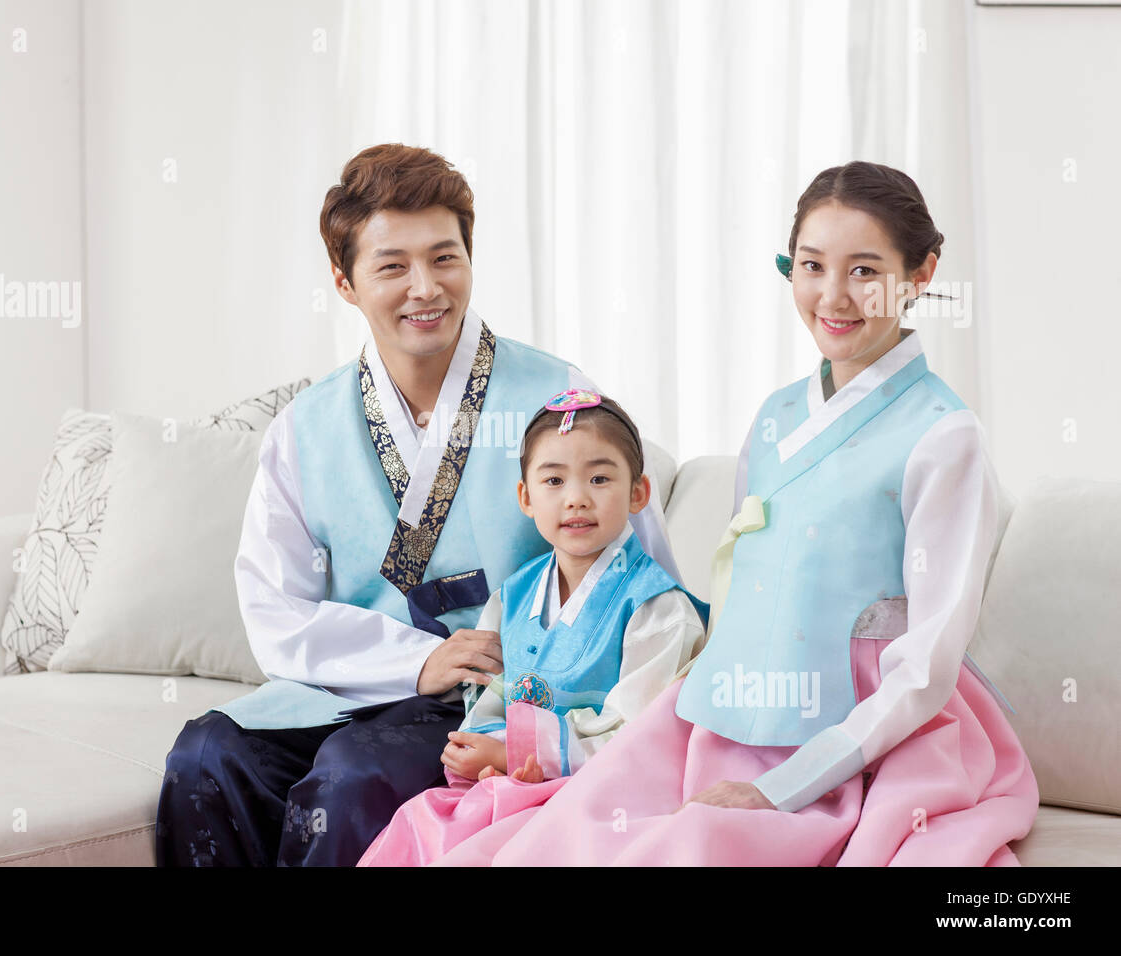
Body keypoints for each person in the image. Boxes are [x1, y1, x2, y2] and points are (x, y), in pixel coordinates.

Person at [429, 160, 1040, 867]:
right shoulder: (777, 417)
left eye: (866, 271)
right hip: (737, 699)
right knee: (550, 841)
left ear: (922, 272)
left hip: (868, 725)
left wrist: (784, 788)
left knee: (693, 844)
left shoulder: (944, 435)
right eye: (811, 266)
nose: (833, 296)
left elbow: (928, 663)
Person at [153, 143, 681, 866]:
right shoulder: (305, 430)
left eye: (444, 258)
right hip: (357, 683)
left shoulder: (557, 396)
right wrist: (417, 659)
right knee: (203, 756)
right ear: (345, 282)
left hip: (501, 698)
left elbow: (644, 572)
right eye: (392, 266)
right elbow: (274, 609)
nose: (426, 288)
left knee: (350, 777)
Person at [359, 391, 706, 866]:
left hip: (601, 793)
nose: (577, 498)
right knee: (419, 821)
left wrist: (524, 753)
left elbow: (640, 737)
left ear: (638, 492)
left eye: (600, 478)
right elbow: (492, 695)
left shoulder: (658, 608)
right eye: (554, 480)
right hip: (513, 781)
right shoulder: (514, 594)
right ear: (526, 496)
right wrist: (481, 749)